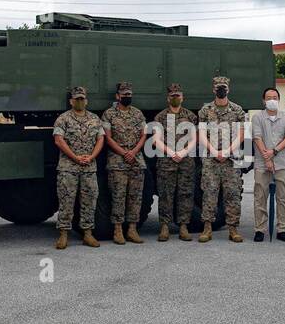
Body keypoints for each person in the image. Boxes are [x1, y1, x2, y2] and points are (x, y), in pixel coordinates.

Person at [52, 85, 105, 249]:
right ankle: (63, 235)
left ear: (86, 101)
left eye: (82, 99)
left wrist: (91, 156)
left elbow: (100, 139)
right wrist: (75, 157)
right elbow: (58, 140)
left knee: (90, 201)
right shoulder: (63, 119)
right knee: (66, 201)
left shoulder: (95, 119)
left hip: (89, 167)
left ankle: (88, 234)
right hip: (68, 167)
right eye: (77, 99)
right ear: (71, 101)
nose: (80, 101)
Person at [196, 75, 247, 243]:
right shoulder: (205, 110)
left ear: (228, 89)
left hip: (231, 158)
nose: (221, 90)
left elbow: (241, 134)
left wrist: (226, 151)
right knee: (209, 192)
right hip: (211, 159)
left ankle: (233, 228)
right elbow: (202, 134)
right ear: (213, 89)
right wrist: (213, 151)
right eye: (218, 87)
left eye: (223, 87)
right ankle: (207, 228)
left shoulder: (237, 110)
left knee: (232, 193)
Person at [101, 81, 147, 245]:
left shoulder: (138, 114)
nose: (127, 97)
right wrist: (123, 152)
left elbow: (143, 135)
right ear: (117, 96)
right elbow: (108, 137)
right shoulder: (109, 114)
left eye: (129, 94)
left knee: (135, 196)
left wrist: (133, 152)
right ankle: (118, 230)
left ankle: (132, 229)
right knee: (118, 196)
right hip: (117, 161)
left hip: (136, 159)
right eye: (124, 94)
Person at [152, 82, 197, 242]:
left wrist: (183, 152)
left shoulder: (190, 116)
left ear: (182, 97)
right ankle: (164, 226)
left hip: (185, 161)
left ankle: (183, 226)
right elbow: (156, 140)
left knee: (185, 193)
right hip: (166, 161)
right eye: (172, 96)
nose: (175, 98)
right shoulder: (160, 117)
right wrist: (172, 153)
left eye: (177, 95)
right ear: (168, 98)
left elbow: (194, 138)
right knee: (165, 194)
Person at [252, 86, 285, 242]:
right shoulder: (257, 117)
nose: (272, 100)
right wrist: (267, 158)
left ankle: (282, 228)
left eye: (274, 98)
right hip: (262, 163)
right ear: (264, 101)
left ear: (279, 99)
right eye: (268, 98)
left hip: (282, 163)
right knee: (260, 196)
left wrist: (274, 152)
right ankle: (260, 229)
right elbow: (257, 138)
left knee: (283, 197)